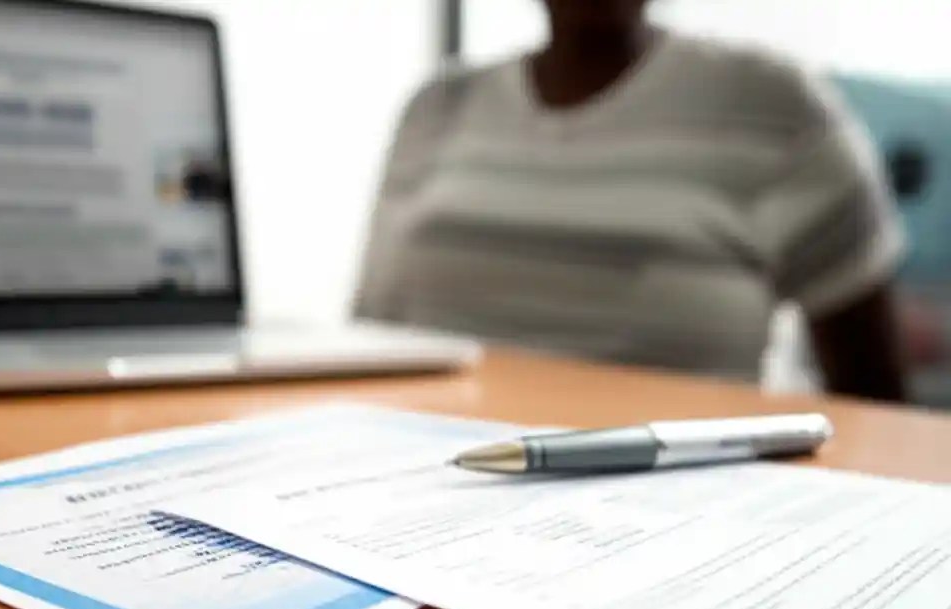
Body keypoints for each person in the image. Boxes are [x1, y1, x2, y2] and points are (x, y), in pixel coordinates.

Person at [355, 0, 907, 401]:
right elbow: (366, 343)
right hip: (426, 487)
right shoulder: (438, 107)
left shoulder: (777, 106)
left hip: (683, 506)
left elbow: (874, 396)